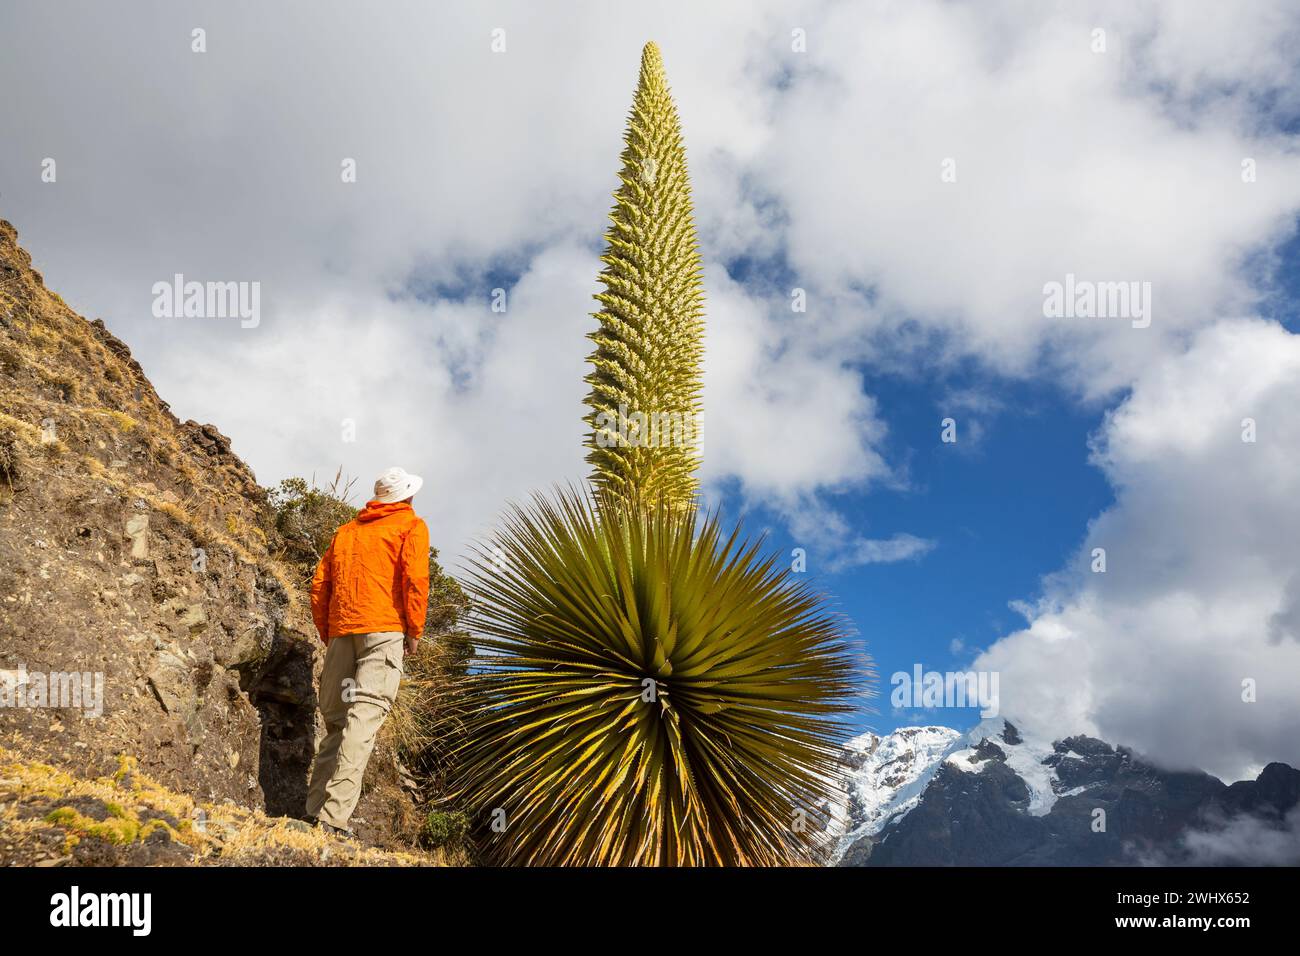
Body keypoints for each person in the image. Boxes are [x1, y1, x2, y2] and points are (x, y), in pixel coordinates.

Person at [304, 466, 429, 837]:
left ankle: (313, 810)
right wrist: (414, 631)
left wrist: (330, 631)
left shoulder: (346, 533)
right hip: (385, 629)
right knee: (364, 719)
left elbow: (319, 585)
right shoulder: (411, 526)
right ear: (405, 497)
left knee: (337, 723)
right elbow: (415, 579)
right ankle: (333, 818)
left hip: (343, 632)